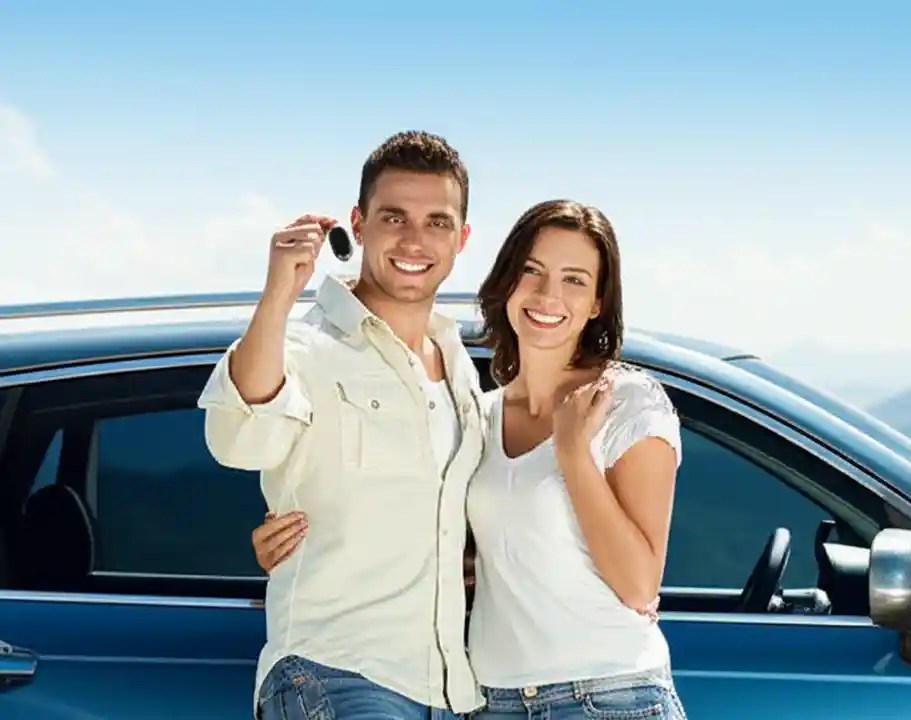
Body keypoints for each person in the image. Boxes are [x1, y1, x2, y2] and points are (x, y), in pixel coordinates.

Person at [254, 199, 689, 719]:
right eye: (532, 271)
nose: (548, 295)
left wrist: (573, 453)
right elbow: (423, 531)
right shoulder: (476, 415)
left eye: (574, 280)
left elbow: (639, 583)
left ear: (598, 302)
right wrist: (303, 542)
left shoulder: (626, 403)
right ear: (507, 282)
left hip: (609, 695)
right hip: (492, 702)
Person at [197, 130, 486, 719]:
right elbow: (237, 436)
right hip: (337, 671)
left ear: (462, 237)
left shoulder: (459, 366)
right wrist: (280, 292)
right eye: (394, 217)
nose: (414, 239)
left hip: (447, 690)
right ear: (358, 223)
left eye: (437, 221)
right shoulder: (307, 344)